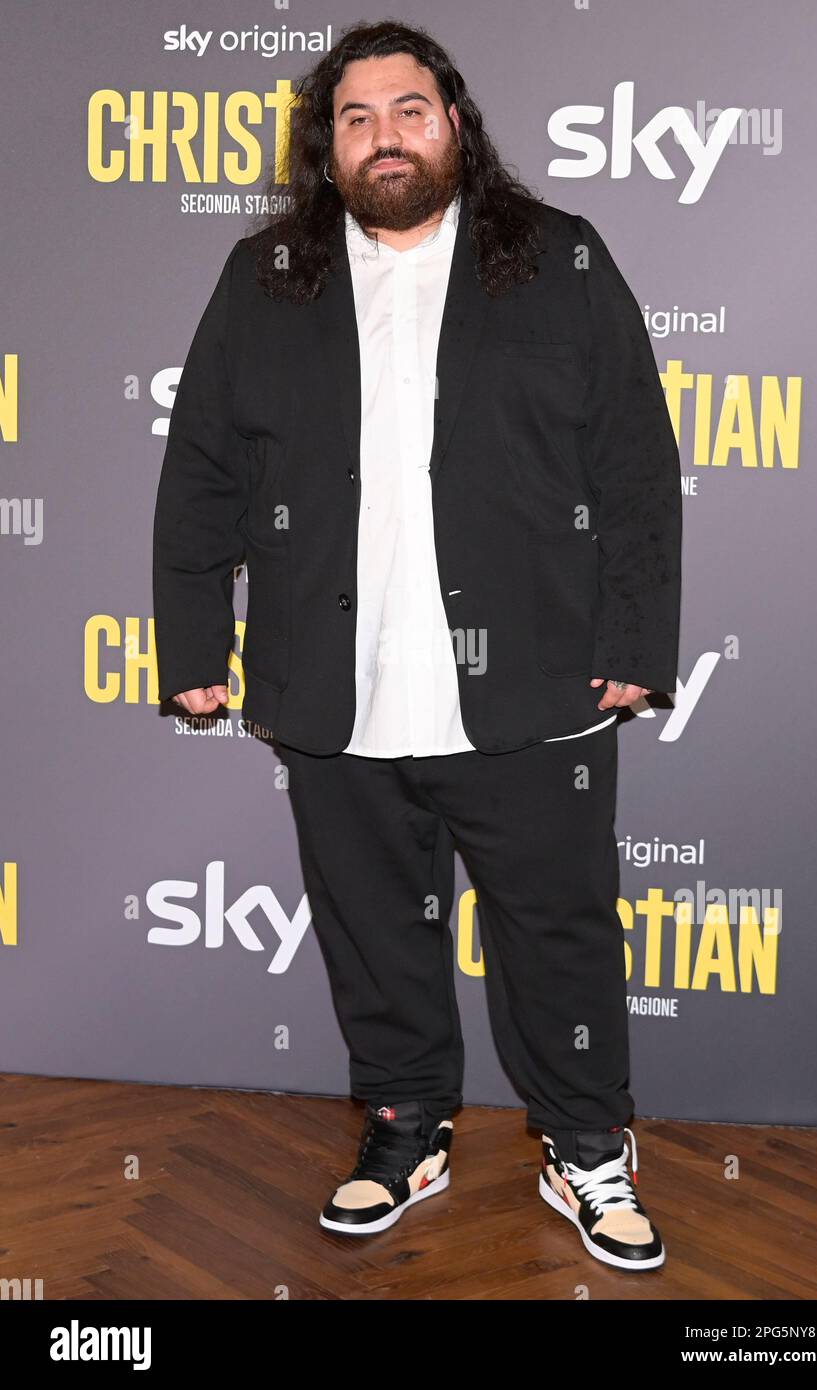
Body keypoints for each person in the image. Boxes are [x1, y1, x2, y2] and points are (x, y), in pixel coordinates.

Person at [152, 20, 682, 1272]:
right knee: (373, 929)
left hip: (537, 683)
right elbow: (203, 472)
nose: (382, 136)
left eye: (406, 109)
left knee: (557, 930)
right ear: (324, 143)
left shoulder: (557, 259)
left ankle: (586, 1147)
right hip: (334, 685)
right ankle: (402, 1130)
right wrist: (190, 636)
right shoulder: (267, 272)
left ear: (453, 120)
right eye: (353, 117)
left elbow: (634, 467)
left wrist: (633, 637)